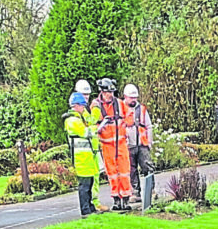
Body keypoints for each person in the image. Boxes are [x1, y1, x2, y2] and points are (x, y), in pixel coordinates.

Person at [94, 77, 132, 211]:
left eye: (111, 92)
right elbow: (92, 123)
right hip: (107, 145)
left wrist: (125, 124)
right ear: (102, 92)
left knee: (124, 171)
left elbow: (129, 118)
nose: (109, 95)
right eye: (107, 92)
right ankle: (116, 199)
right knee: (112, 173)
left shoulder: (120, 104)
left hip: (120, 143)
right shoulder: (96, 106)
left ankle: (126, 199)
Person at [64, 91, 100, 217]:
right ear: (76, 105)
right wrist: (96, 128)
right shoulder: (72, 120)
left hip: (87, 157)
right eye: (82, 106)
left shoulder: (78, 119)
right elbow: (86, 132)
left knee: (89, 183)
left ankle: (90, 207)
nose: (83, 108)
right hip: (81, 159)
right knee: (84, 185)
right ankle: (85, 210)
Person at [123, 83, 153, 206]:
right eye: (131, 98)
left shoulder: (142, 109)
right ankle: (135, 193)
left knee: (148, 167)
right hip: (128, 145)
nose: (134, 100)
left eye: (135, 97)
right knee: (131, 170)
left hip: (142, 144)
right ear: (125, 96)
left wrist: (149, 142)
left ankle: (151, 191)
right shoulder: (121, 109)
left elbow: (149, 126)